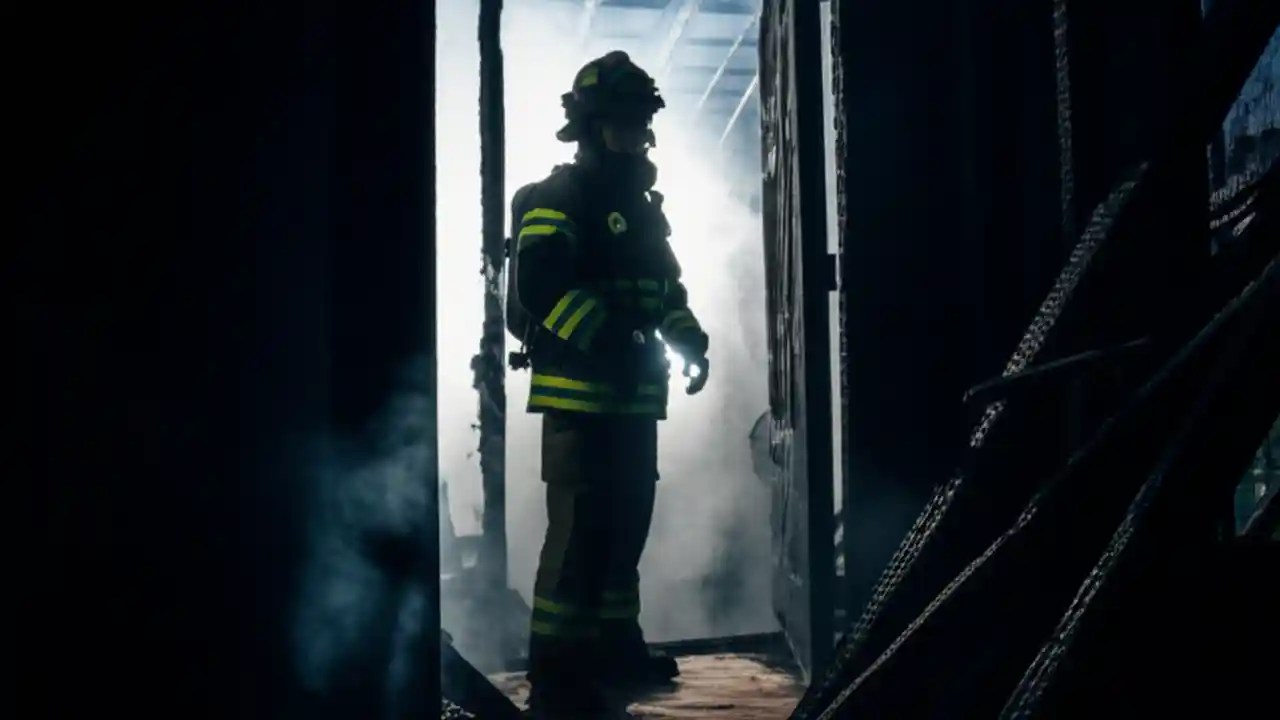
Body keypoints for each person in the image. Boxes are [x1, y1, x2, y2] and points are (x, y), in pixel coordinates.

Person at [505, 50, 711, 718]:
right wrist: (611, 338)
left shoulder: (642, 207)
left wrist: (689, 339)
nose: (640, 134)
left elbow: (664, 289)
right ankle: (558, 671)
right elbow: (539, 284)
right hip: (581, 404)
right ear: (593, 126)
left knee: (626, 531)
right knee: (579, 540)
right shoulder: (557, 198)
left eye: (644, 121)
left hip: (633, 404)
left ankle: (616, 646)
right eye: (627, 122)